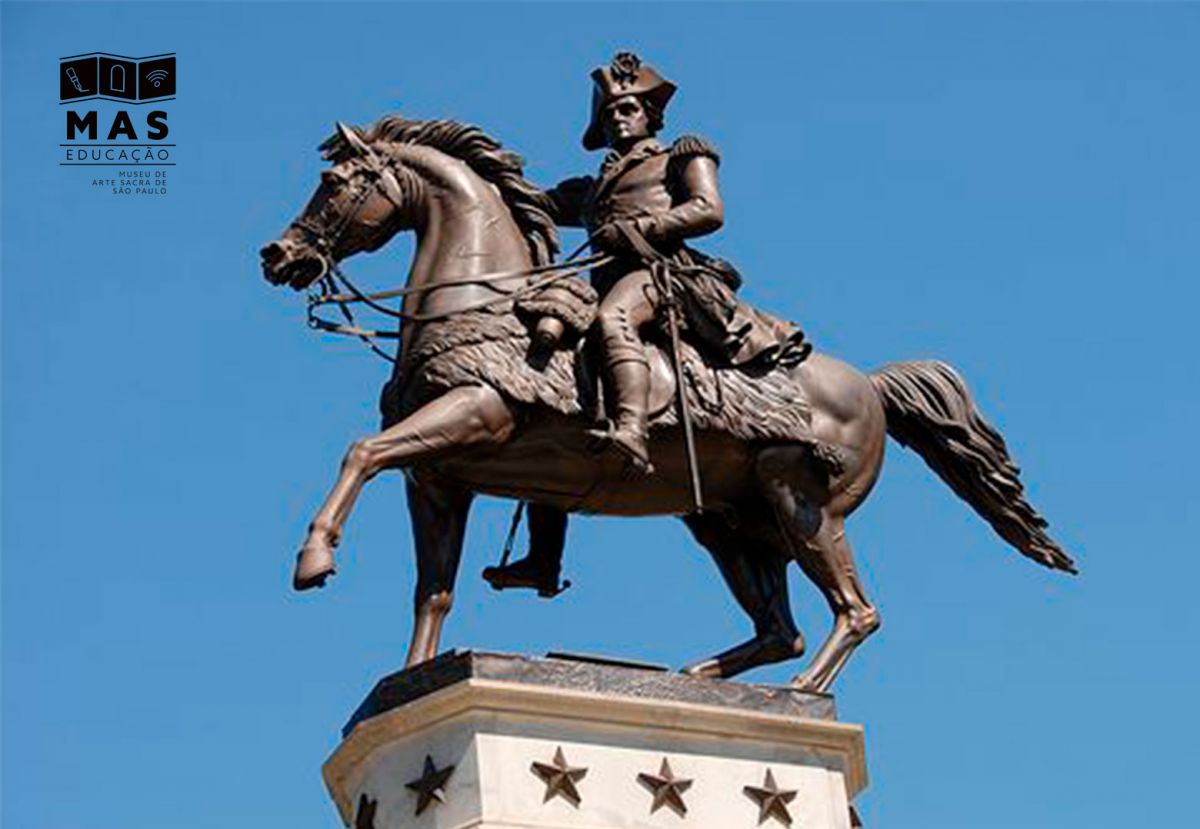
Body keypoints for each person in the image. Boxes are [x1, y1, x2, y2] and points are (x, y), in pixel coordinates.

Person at [482, 52, 806, 596]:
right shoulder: (593, 187)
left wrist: (641, 229)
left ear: (651, 115)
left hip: (662, 275)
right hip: (608, 279)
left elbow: (709, 210)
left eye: (629, 108)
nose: (619, 118)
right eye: (610, 112)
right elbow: (532, 203)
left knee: (612, 320)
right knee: (549, 392)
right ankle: (543, 558)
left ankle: (631, 429)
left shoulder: (681, 156)